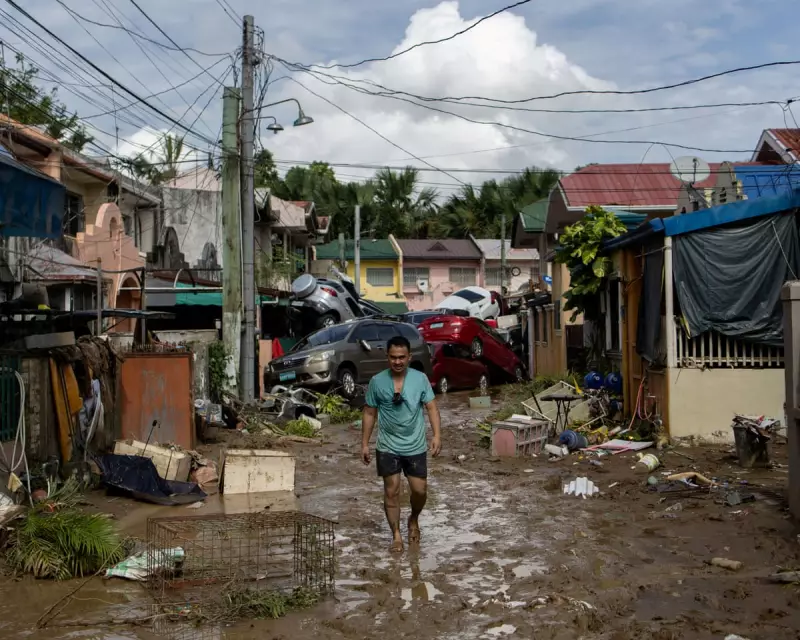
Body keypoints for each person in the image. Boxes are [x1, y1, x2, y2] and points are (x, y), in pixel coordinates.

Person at [361, 335, 442, 553]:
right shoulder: (377, 382)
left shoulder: (420, 379)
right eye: (393, 357)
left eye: (402, 357)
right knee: (392, 490)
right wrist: (365, 443)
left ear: (409, 357)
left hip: (415, 445)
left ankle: (413, 518)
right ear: (387, 357)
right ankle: (396, 535)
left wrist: (436, 436)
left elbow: (432, 407)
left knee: (420, 490)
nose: (397, 362)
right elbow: (369, 412)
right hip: (387, 446)